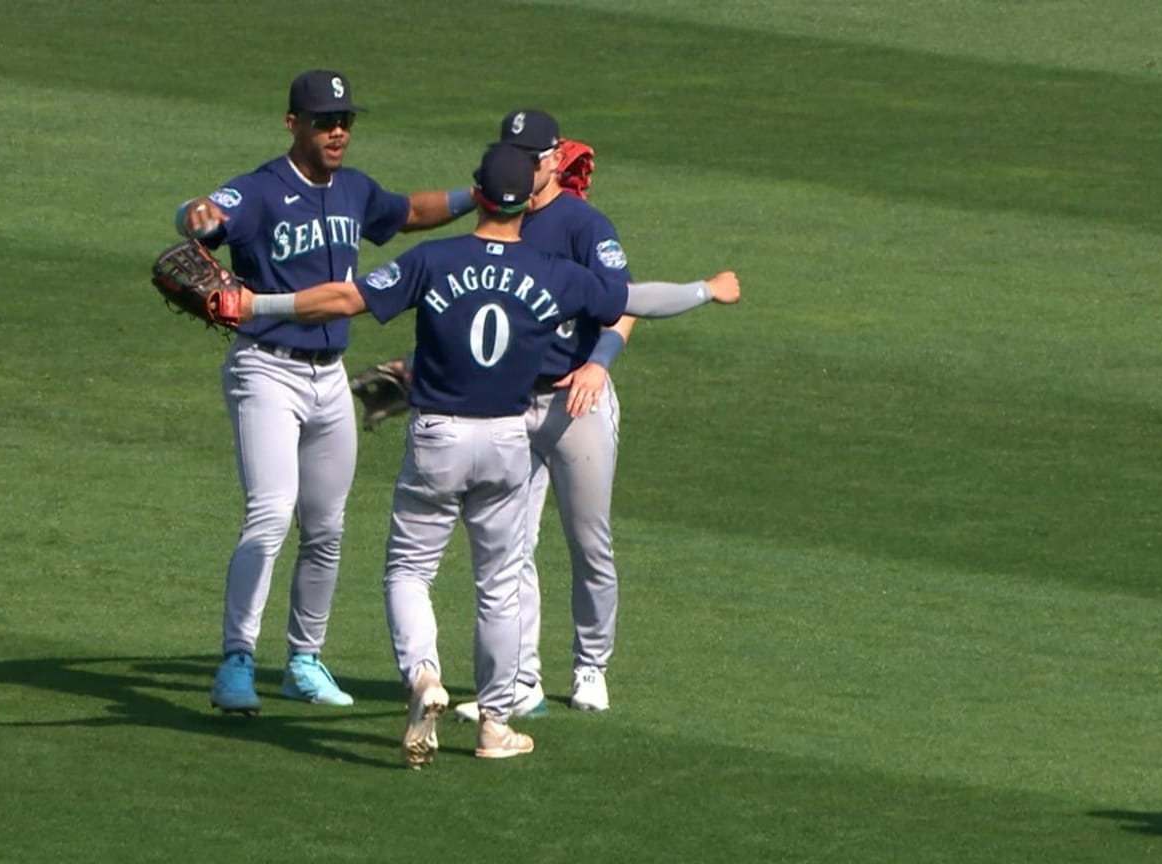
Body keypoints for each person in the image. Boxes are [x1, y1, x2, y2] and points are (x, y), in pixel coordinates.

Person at [227, 142, 741, 765]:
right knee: (500, 585)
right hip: (507, 441)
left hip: (438, 438)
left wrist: (255, 304)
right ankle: (496, 724)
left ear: (478, 194)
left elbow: (343, 299)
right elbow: (635, 299)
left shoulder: (434, 259)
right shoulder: (552, 272)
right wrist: (707, 289)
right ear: (527, 201)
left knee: (409, 572)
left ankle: (424, 674)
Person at [173, 69, 475, 716]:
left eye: (345, 121)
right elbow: (204, 215)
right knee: (270, 513)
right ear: (294, 124)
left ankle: (304, 661)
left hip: (331, 377)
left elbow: (408, 213)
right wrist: (194, 215)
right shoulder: (260, 189)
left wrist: (476, 197)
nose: (338, 132)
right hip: (265, 370)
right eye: (324, 122)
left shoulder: (354, 189)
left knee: (327, 528)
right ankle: (236, 659)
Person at [453, 110, 736, 722]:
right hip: (509, 405)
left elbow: (623, 304)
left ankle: (591, 665)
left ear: (555, 160)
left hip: (574, 404)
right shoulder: (497, 220)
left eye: (532, 157)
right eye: (512, 154)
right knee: (509, 547)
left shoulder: (584, 225)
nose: (521, 166)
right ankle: (518, 681)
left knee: (588, 542)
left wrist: (598, 365)